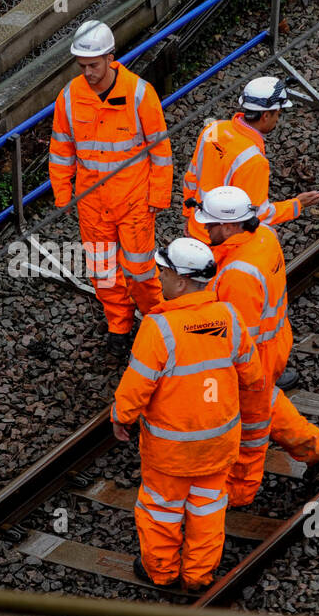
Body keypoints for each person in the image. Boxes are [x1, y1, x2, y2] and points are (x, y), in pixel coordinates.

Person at [110, 237, 264, 592]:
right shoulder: (228, 316)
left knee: (161, 510)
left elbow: (137, 384)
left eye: (163, 272)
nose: (158, 277)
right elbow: (253, 375)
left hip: (171, 451)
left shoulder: (159, 327)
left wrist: (122, 417)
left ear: (181, 281)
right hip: (218, 443)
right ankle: (198, 576)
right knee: (208, 510)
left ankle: (161, 572)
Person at [195, 187, 319, 506]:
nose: (205, 229)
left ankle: (242, 490)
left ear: (229, 227)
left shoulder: (238, 276)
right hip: (275, 340)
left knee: (251, 423)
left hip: (255, 357)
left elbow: (239, 339)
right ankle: (316, 447)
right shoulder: (263, 236)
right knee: (268, 401)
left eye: (210, 225)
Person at [49, 20, 173, 355]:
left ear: (110, 58)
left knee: (140, 268)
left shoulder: (139, 94)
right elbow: (62, 150)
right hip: (92, 203)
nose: (88, 73)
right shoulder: (70, 98)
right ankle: (119, 324)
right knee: (102, 270)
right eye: (82, 66)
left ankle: (155, 319)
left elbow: (160, 150)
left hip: (133, 201)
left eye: (93, 65)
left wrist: (158, 197)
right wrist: (63, 193)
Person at [181, 76, 319, 244]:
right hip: (223, 241)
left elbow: (191, 178)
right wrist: (297, 204)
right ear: (265, 115)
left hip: (197, 225)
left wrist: (188, 215)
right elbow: (259, 214)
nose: (277, 119)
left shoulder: (213, 130)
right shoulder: (253, 161)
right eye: (277, 114)